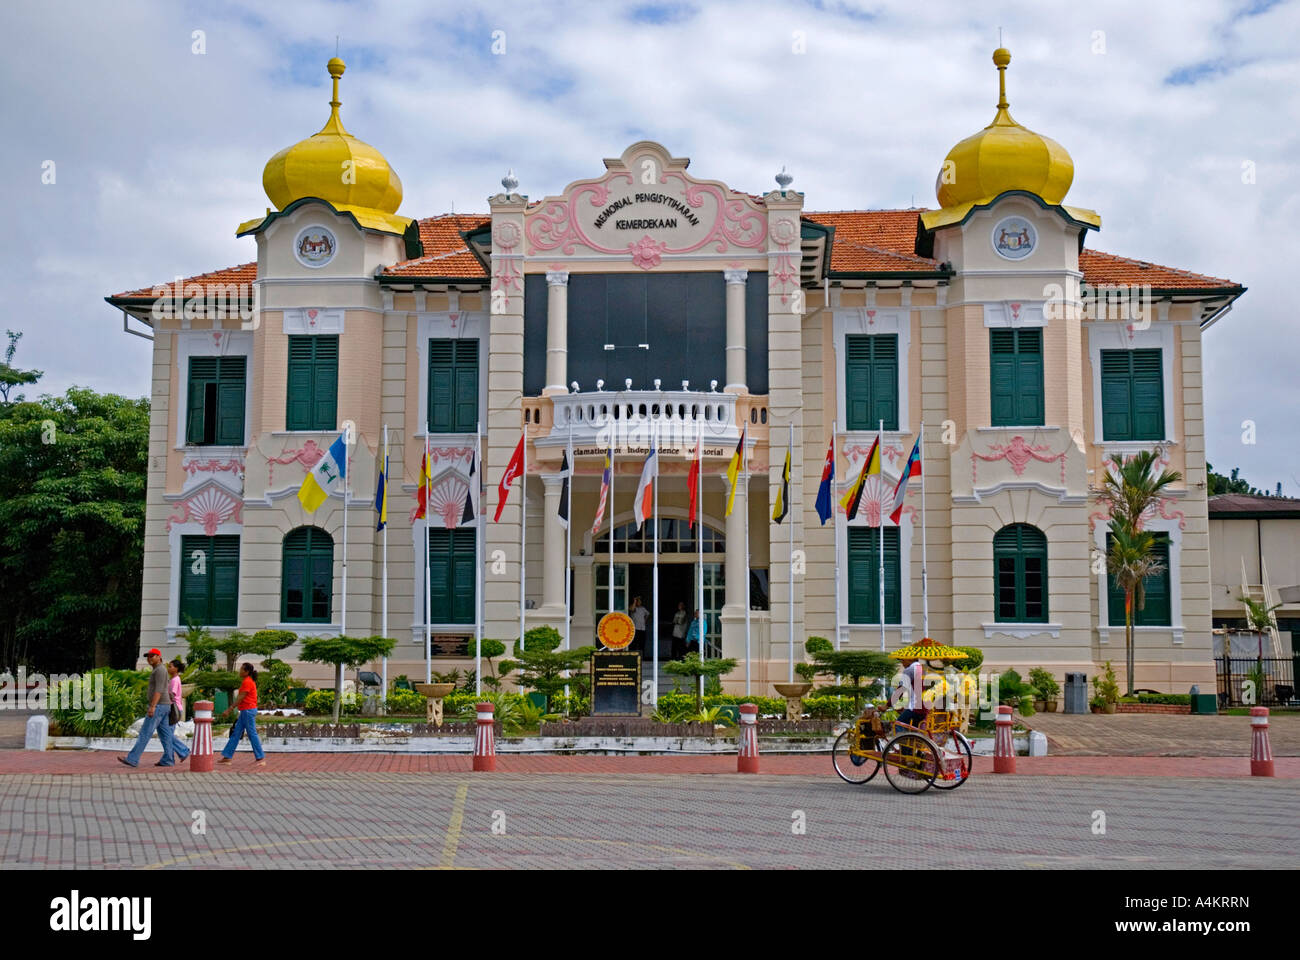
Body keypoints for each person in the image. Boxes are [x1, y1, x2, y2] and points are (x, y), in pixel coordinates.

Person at [118, 648, 175, 768]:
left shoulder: (159, 670)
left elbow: (159, 690)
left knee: (145, 732)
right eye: (148, 656)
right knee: (165, 735)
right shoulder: (159, 670)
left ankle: (132, 759)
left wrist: (153, 706)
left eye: (152, 656)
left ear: (159, 657)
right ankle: (169, 759)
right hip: (164, 705)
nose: (149, 658)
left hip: (159, 706)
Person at [218, 662, 266, 766]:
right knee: (236, 733)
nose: (239, 671)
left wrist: (229, 709)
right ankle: (227, 757)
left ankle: (260, 758)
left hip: (248, 711)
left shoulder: (247, 682)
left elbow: (240, 698)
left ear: (246, 672)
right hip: (246, 711)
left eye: (241, 669)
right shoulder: (247, 681)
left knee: (252, 734)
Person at [892, 655, 928, 730]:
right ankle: (912, 740)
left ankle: (902, 741)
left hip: (915, 708)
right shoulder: (923, 669)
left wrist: (888, 704)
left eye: (903, 660)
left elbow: (901, 689)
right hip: (925, 708)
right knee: (913, 729)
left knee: (898, 725)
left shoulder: (910, 670)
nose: (902, 663)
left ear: (910, 658)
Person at [166, 659, 190, 764]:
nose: (169, 668)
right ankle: (168, 757)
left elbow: (172, 695)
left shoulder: (175, 680)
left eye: (171, 666)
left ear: (176, 669)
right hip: (174, 708)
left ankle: (183, 751)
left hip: (173, 709)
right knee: (167, 734)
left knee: (167, 734)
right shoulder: (174, 679)